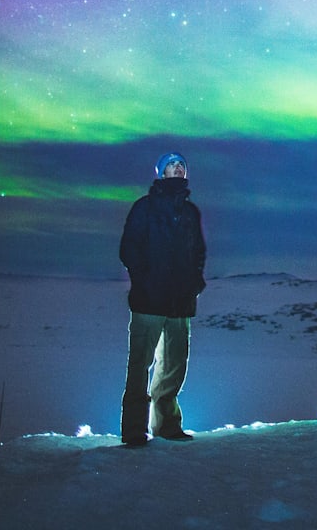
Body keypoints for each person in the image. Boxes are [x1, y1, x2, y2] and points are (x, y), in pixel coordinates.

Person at [118, 151, 207, 447]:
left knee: (174, 366)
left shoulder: (190, 212)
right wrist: (144, 281)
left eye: (182, 165)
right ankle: (133, 430)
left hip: (180, 303)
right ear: (160, 172)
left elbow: (198, 252)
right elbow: (129, 248)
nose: (178, 168)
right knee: (139, 366)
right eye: (172, 165)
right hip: (149, 301)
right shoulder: (145, 208)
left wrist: (194, 281)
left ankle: (167, 425)